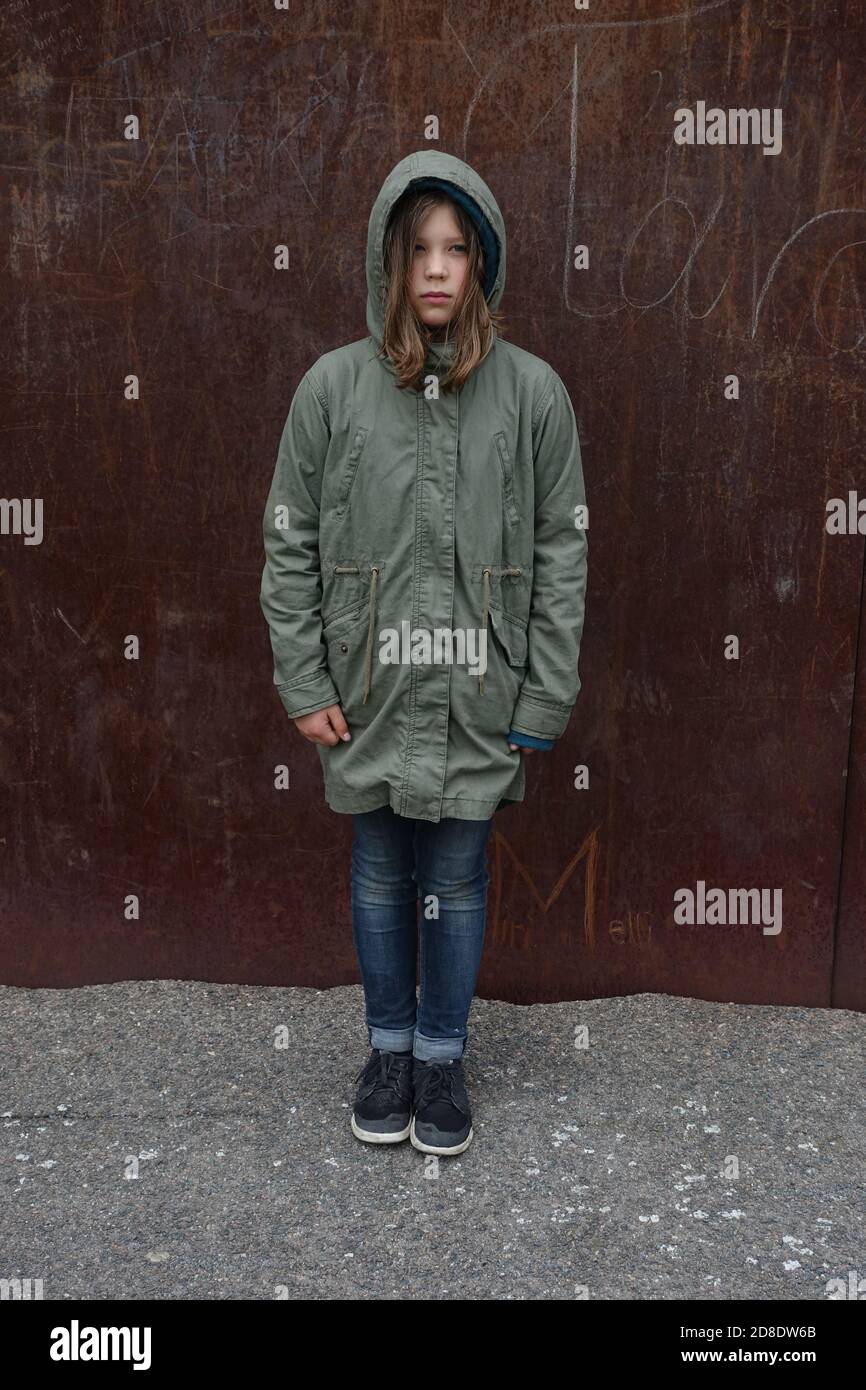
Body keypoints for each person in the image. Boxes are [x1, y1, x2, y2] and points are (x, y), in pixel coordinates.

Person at [260, 150, 588, 1157]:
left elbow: (559, 547)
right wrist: (304, 676)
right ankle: (387, 1049)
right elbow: (291, 536)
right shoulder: (331, 388)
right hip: (367, 681)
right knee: (377, 866)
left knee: (455, 864)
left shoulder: (531, 393)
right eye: (418, 251)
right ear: (389, 265)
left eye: (457, 248)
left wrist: (542, 692)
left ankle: (441, 1058)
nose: (437, 269)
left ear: (481, 263)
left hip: (477, 686)